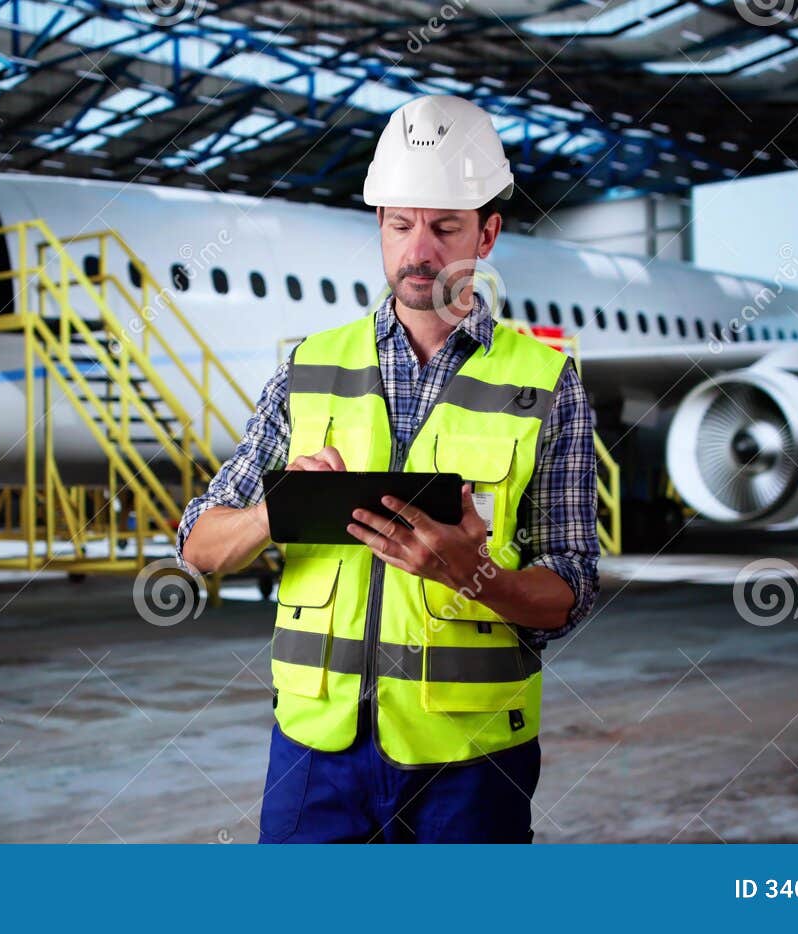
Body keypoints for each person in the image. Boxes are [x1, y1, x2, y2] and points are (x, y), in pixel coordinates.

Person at [175, 95, 599, 843]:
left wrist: (477, 575)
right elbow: (199, 545)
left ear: (488, 233)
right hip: (316, 754)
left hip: (470, 761)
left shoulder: (545, 384)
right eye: (400, 224)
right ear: (379, 226)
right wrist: (275, 511)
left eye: (443, 228)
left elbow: (569, 593)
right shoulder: (309, 369)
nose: (419, 251)